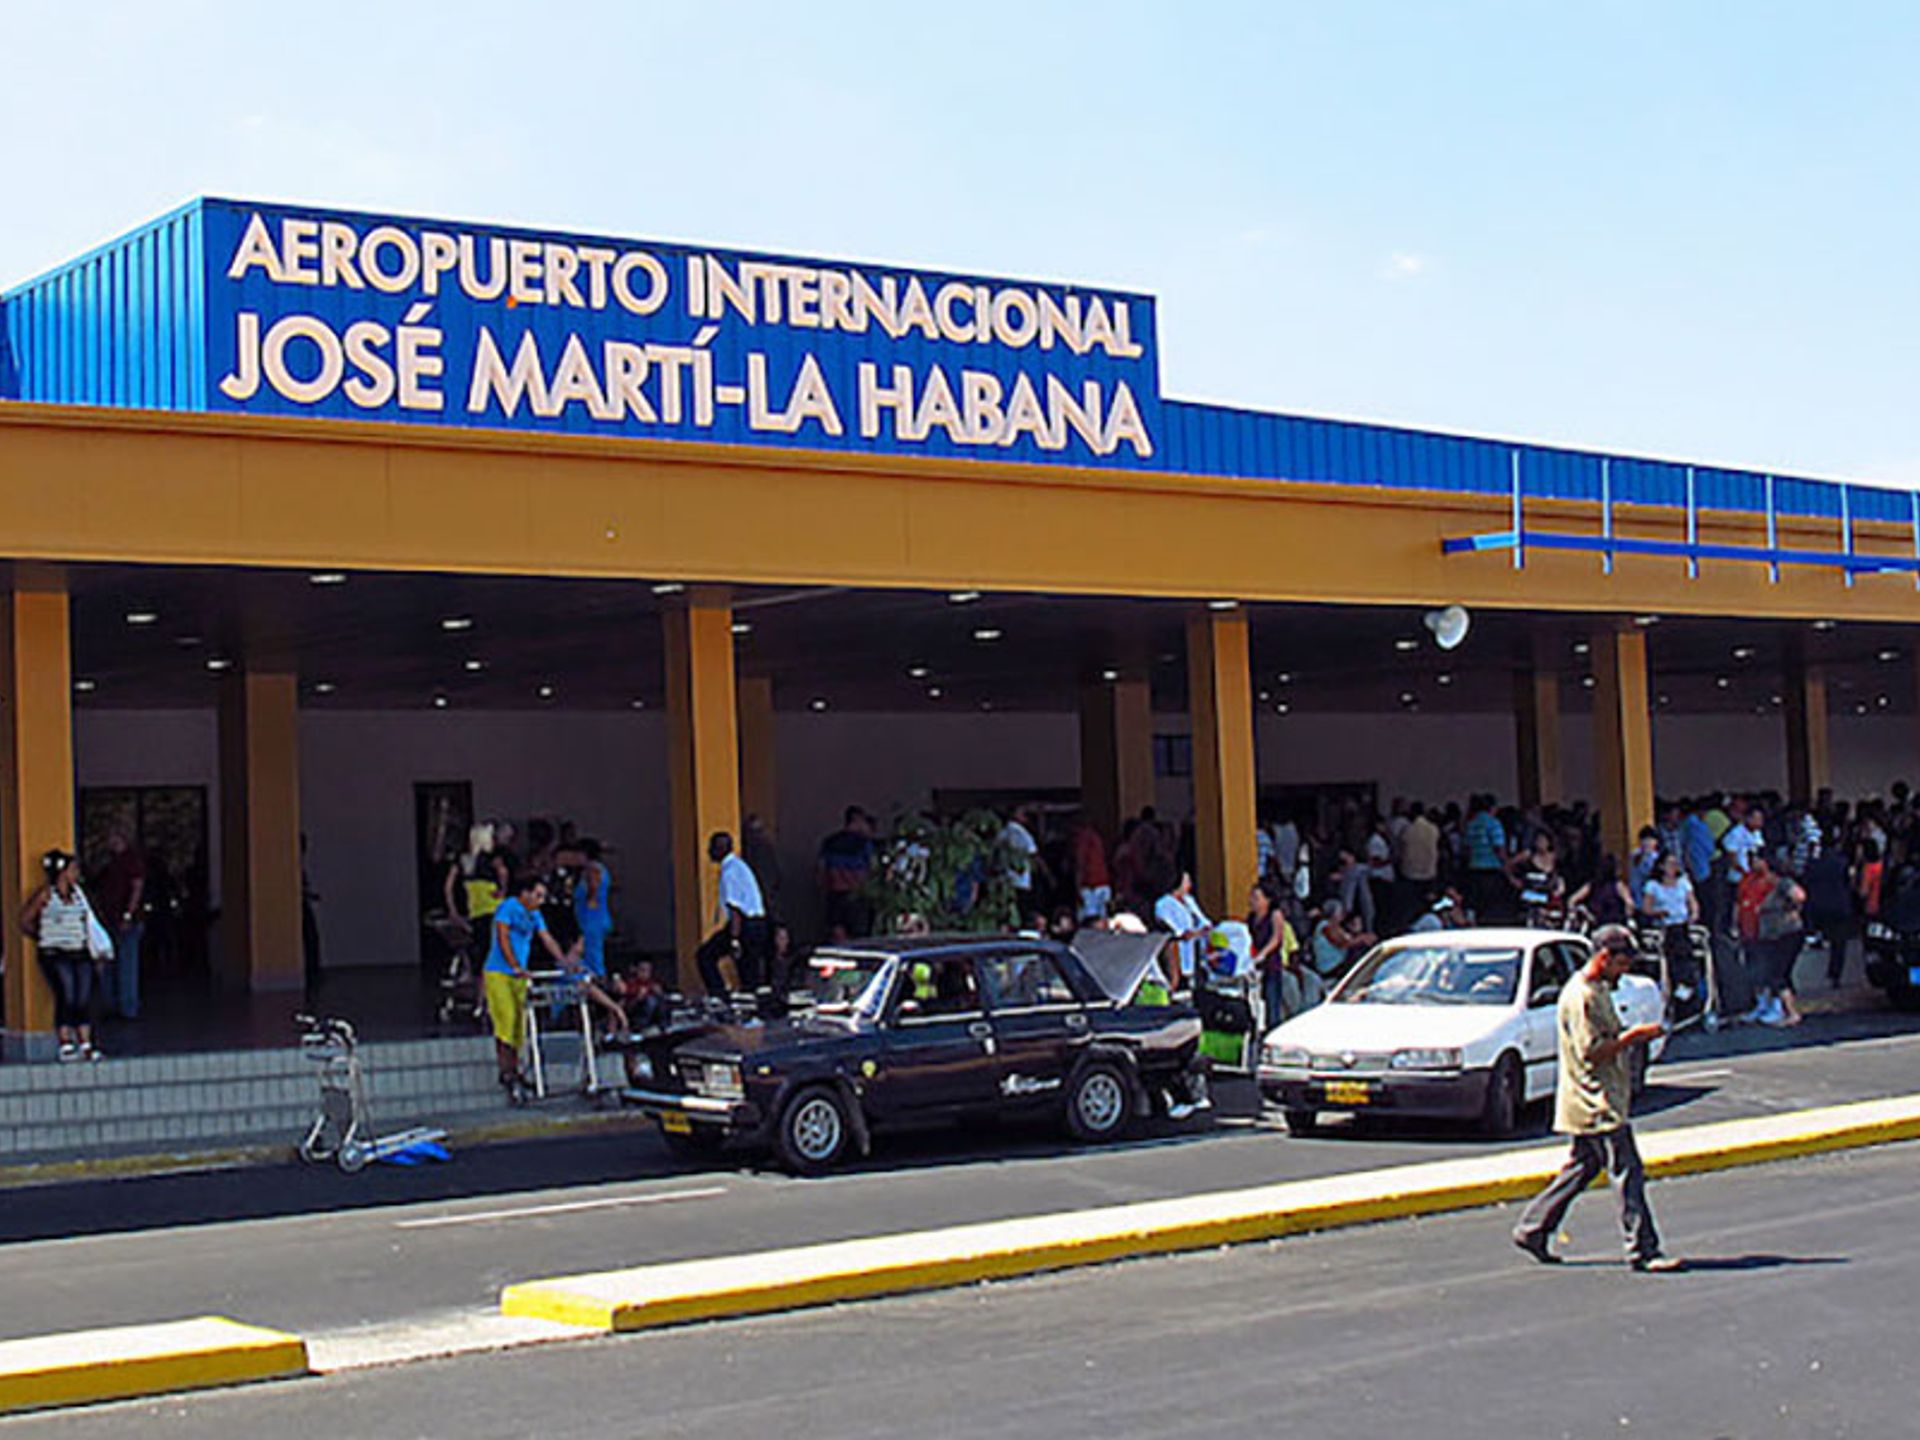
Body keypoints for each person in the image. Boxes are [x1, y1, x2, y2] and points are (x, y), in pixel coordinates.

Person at [1511, 924, 1677, 1271]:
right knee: (1627, 1171)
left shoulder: (1599, 988)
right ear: (1603, 957)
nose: (1624, 972)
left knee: (1582, 1167)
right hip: (1596, 1100)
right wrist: (1634, 1037)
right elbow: (1593, 1052)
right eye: (1621, 964)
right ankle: (1643, 1249)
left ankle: (1533, 1228)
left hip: (1594, 1098)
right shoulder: (1583, 996)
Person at [484, 872, 579, 1098]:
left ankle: (516, 1070)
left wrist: (564, 963)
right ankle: (505, 1070)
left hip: (520, 976)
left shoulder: (535, 914)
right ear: (525, 893)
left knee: (519, 1023)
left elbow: (546, 938)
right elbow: (503, 937)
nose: (540, 900)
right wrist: (514, 965)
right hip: (499, 973)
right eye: (537, 895)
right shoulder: (507, 907)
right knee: (505, 1020)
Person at [21, 849, 106, 1061]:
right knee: (66, 994)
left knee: (83, 997)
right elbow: (25, 920)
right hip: (55, 953)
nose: (76, 873)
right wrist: (43, 936)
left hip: (79, 951)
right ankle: (65, 1042)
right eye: (72, 869)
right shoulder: (46, 894)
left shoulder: (79, 895)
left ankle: (86, 1043)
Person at [697, 831, 770, 994]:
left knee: (706, 956)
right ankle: (751, 1004)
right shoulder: (740, 865)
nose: (708, 851)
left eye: (712, 847)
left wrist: (735, 939)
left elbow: (735, 908)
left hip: (745, 924)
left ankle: (720, 995)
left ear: (720, 849)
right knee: (748, 969)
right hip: (758, 922)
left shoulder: (729, 872)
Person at [94, 829, 146, 1021]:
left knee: (127, 963)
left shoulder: (131, 860)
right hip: (110, 918)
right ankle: (113, 1004)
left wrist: (128, 914)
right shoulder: (110, 863)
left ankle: (128, 1007)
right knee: (110, 962)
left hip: (125, 920)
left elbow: (137, 887)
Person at [1640, 852, 1701, 1013]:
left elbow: (1692, 903)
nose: (1674, 867)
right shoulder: (1653, 885)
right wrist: (1659, 913)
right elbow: (1646, 908)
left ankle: (1687, 984)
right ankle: (1674, 986)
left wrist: (1693, 915)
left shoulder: (1683, 882)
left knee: (1685, 946)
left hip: (1682, 924)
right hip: (1664, 926)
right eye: (1670, 864)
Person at [1248, 880, 1307, 1026]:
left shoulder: (1275, 915)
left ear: (1267, 900)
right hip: (1255, 967)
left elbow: (1276, 938)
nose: (1252, 901)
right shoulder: (1251, 918)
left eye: (1257, 897)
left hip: (1271, 965)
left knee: (1272, 1003)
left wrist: (1262, 954)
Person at [817, 806, 876, 941]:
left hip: (835, 894)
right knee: (859, 938)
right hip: (858, 896)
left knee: (837, 933)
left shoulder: (830, 842)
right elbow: (873, 869)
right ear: (857, 821)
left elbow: (820, 870)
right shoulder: (864, 844)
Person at [1153, 872, 1211, 989]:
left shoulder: (1189, 901)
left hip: (1197, 948)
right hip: (1178, 951)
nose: (1189, 884)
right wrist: (1188, 934)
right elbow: (1170, 928)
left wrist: (1204, 928)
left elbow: (1203, 920)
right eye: (1186, 881)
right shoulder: (1163, 904)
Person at [571, 838, 614, 979]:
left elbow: (593, 889)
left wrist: (589, 900)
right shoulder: (597, 869)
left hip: (592, 919)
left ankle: (598, 981)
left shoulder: (592, 870)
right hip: (593, 918)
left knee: (593, 955)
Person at [1569, 854, 1633, 930]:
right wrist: (1627, 917)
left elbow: (1572, 900)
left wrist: (1577, 913)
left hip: (1597, 925)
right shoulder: (1618, 886)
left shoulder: (1592, 885)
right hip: (1616, 924)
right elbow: (1630, 904)